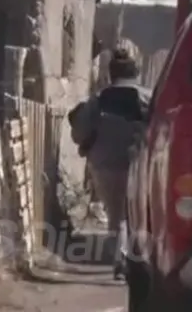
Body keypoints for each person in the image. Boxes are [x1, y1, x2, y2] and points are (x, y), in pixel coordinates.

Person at [68, 47, 152, 279]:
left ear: (111, 74)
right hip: (137, 163)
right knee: (136, 213)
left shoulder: (98, 100)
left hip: (104, 165)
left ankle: (121, 259)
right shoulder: (147, 97)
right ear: (135, 73)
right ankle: (136, 259)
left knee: (116, 215)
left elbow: (80, 133)